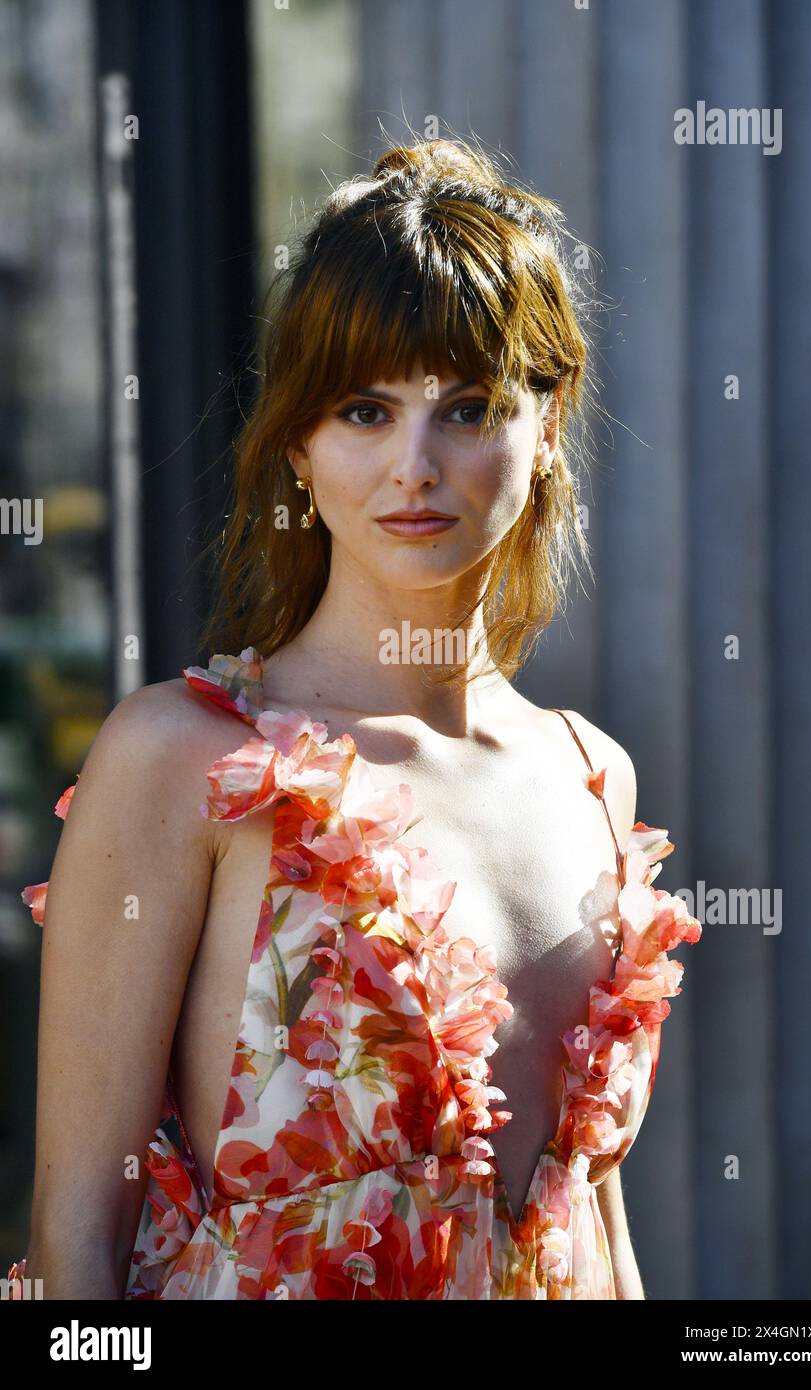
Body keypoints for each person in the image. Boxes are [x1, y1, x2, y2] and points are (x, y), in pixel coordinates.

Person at [10, 136, 701, 1300]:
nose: (415, 466)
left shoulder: (590, 777)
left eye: (469, 406)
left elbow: (596, 1240)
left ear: (547, 421)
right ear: (298, 442)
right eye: (366, 409)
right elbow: (76, 1235)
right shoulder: (188, 761)